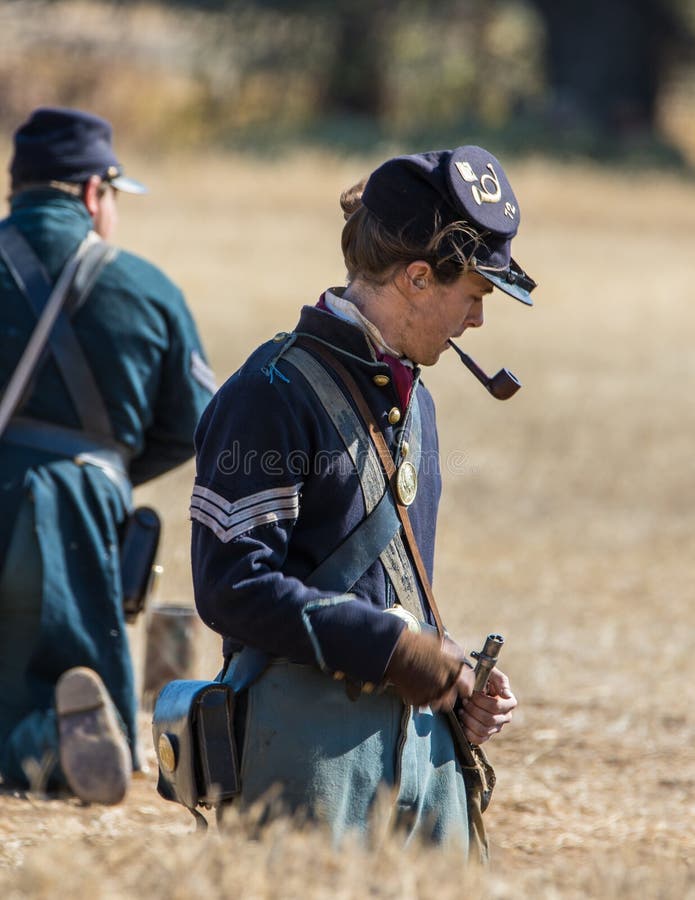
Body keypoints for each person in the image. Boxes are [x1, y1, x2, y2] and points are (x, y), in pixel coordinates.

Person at [189, 146, 532, 855]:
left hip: (421, 752)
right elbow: (232, 587)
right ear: (417, 277)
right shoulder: (270, 392)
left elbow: (384, 587)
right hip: (309, 749)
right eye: (474, 293)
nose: (477, 319)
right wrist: (394, 649)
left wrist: (454, 677)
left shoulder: (416, 400)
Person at [0, 107, 215, 804]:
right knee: (88, 689)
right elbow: (198, 425)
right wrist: (108, 472)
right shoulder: (148, 288)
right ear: (95, 192)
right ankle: (55, 745)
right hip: (82, 501)